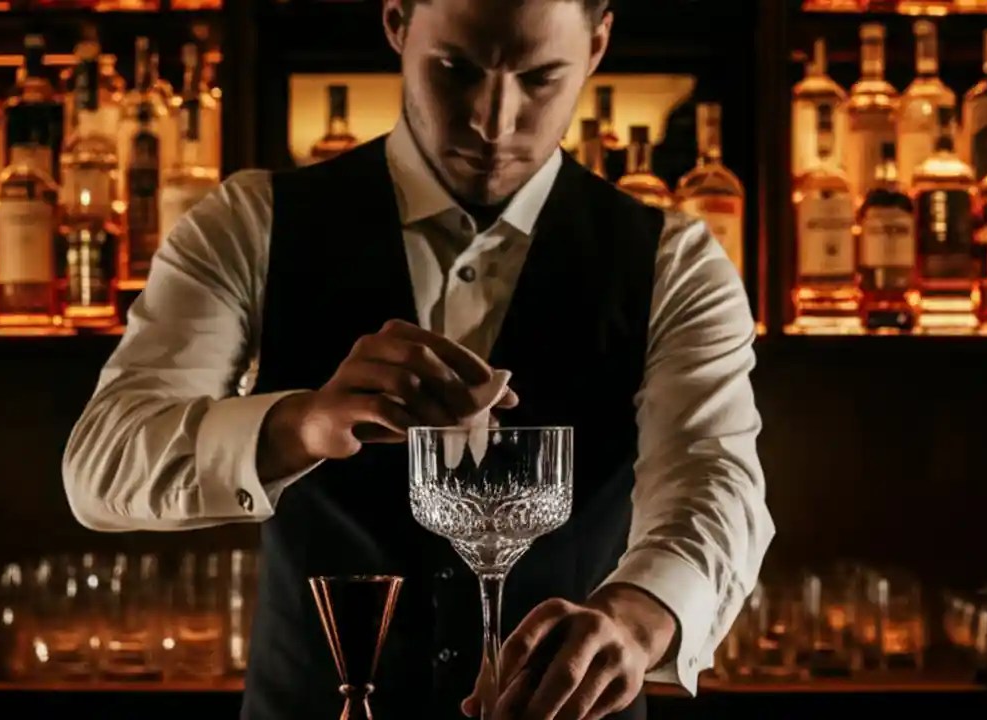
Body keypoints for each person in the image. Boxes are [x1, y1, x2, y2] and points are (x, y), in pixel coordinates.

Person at [61, 0, 775, 718]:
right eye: (455, 70)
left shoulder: (674, 260)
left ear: (598, 43)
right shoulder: (249, 224)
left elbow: (714, 482)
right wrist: (303, 424)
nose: (495, 123)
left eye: (539, 78)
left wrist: (634, 620)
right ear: (397, 22)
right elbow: (102, 466)